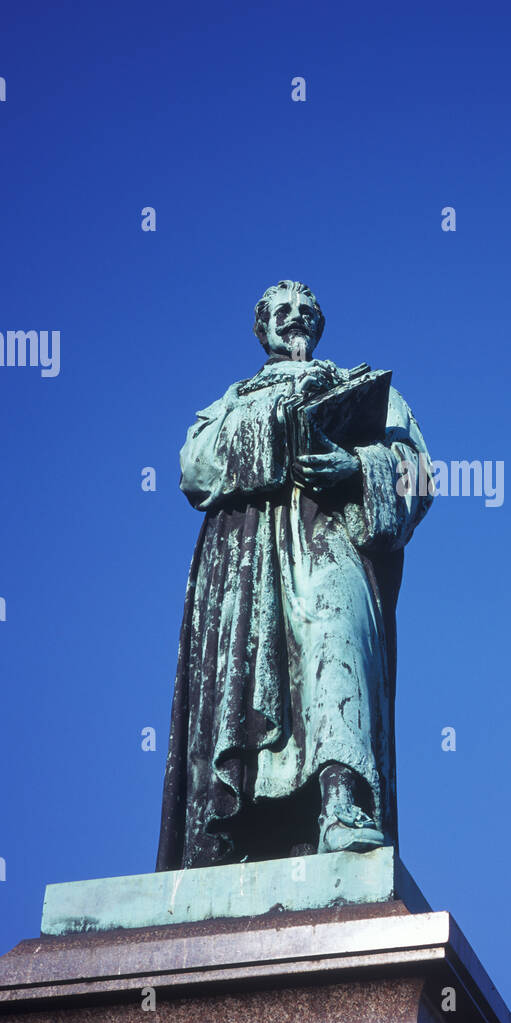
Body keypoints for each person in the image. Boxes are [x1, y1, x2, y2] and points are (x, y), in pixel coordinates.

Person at [155, 279, 432, 868]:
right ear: (262, 329)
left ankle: (341, 805)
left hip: (330, 539)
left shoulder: (362, 391)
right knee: (245, 680)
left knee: (337, 653)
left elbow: (419, 475)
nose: (295, 318)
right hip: (244, 558)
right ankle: (234, 831)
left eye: (306, 309)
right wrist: (281, 430)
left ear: (320, 322)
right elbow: (193, 469)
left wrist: (354, 466)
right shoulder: (232, 399)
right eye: (282, 311)